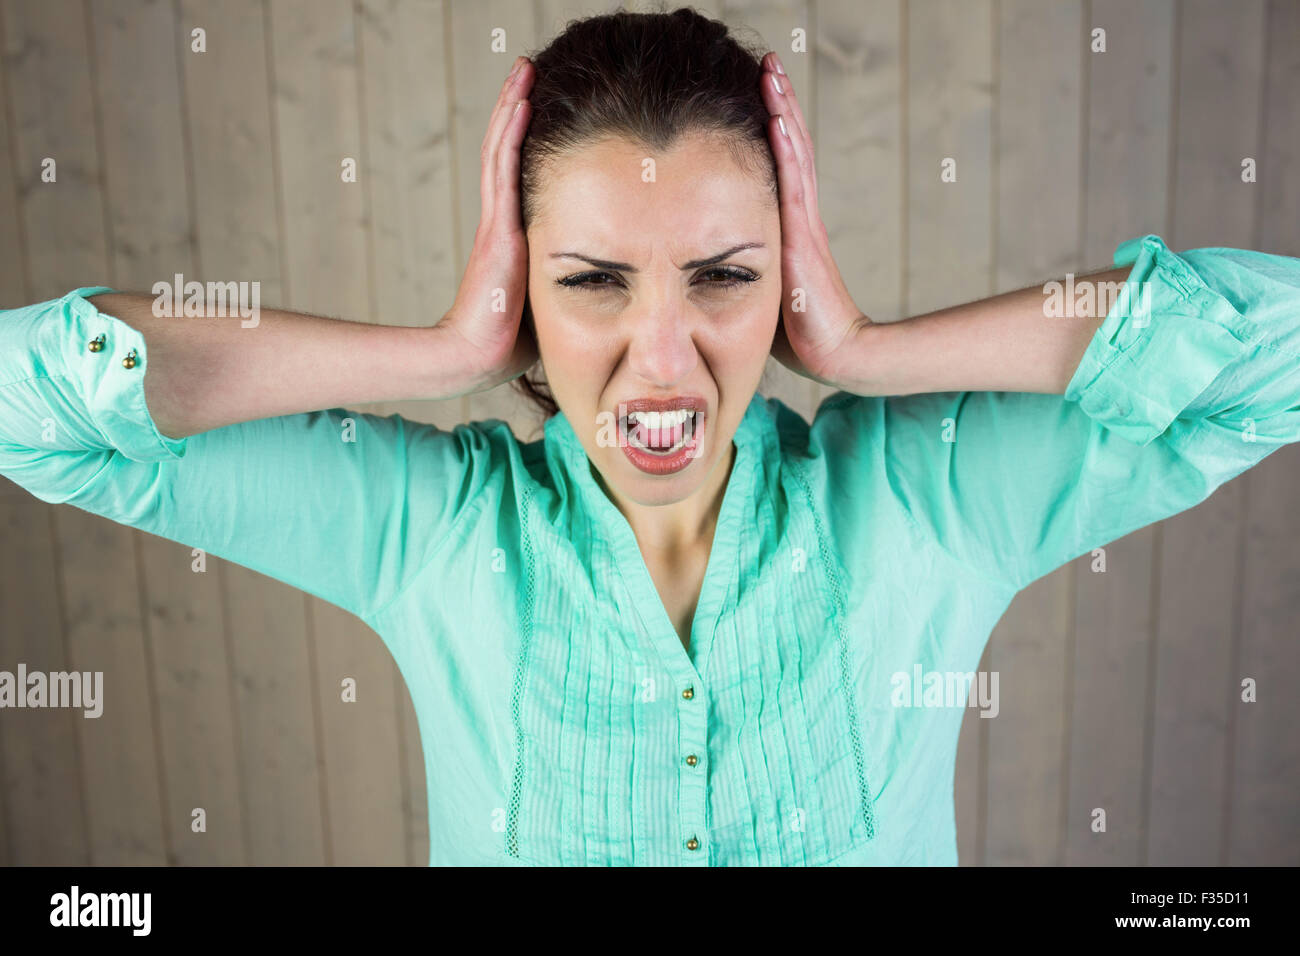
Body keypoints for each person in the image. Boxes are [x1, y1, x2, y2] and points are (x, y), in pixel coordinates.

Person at [2, 7, 1298, 867]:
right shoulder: (431, 536)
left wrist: (869, 351)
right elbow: (35, 409)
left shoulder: (927, 504)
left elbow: (1271, 361)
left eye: (724, 277)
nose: (662, 358)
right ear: (521, 293)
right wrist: (443, 351)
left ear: (790, 278)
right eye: (593, 280)